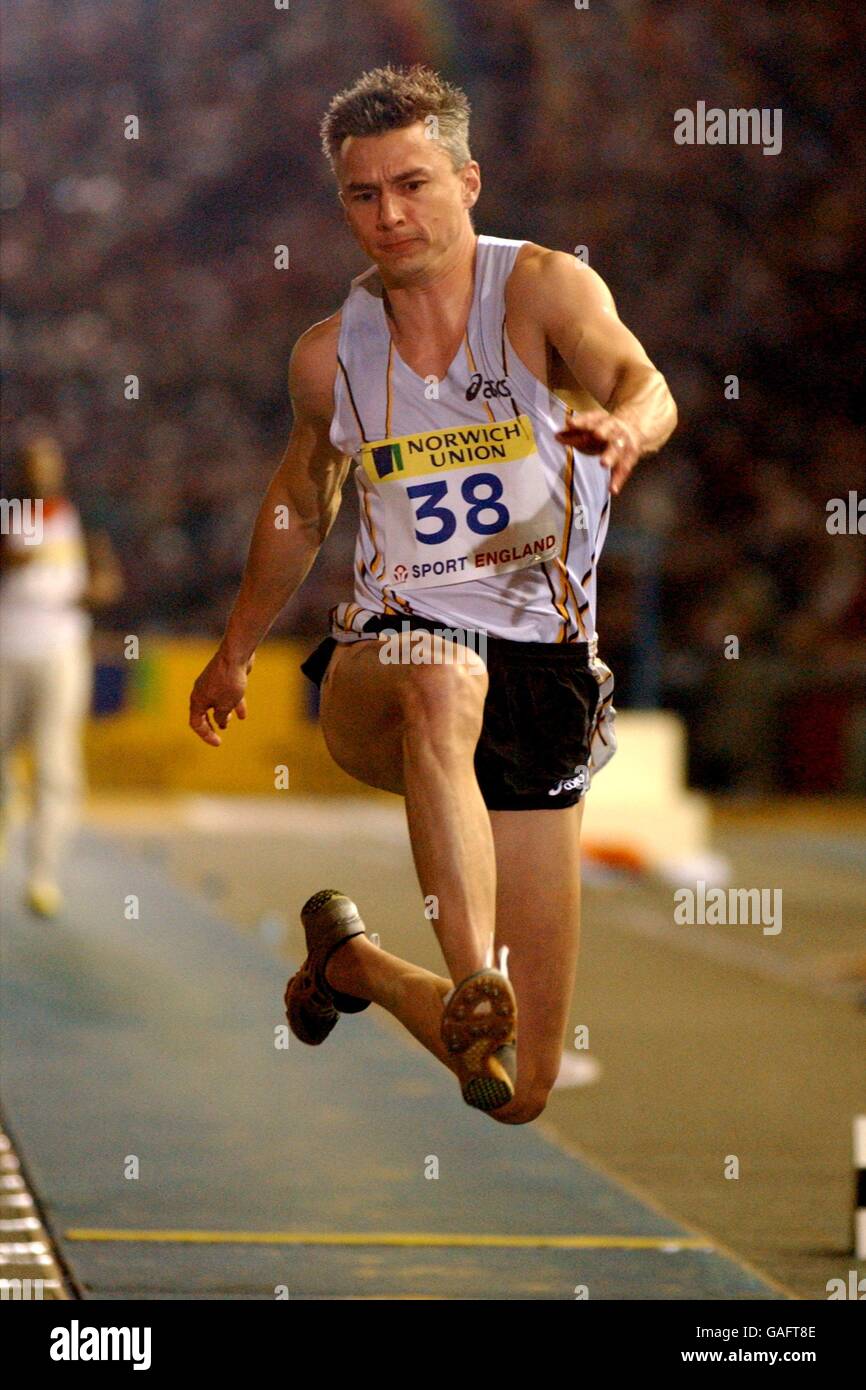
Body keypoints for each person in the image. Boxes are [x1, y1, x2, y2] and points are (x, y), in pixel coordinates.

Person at [189, 65, 677, 1121]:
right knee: (440, 678)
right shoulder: (329, 358)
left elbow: (644, 380)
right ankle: (472, 979)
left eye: (411, 184)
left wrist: (627, 427)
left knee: (517, 1092)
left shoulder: (545, 289)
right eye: (361, 195)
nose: (388, 215)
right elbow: (301, 505)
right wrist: (234, 649)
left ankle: (355, 963)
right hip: (392, 656)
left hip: (543, 674)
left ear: (467, 181)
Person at [0, 434, 123, 917]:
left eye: (47, 463)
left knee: (55, 763)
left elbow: (109, 581)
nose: (39, 473)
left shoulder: (83, 517)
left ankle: (43, 875)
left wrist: (92, 590)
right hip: (7, 648)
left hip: (60, 651)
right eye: (31, 464)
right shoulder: (8, 513)